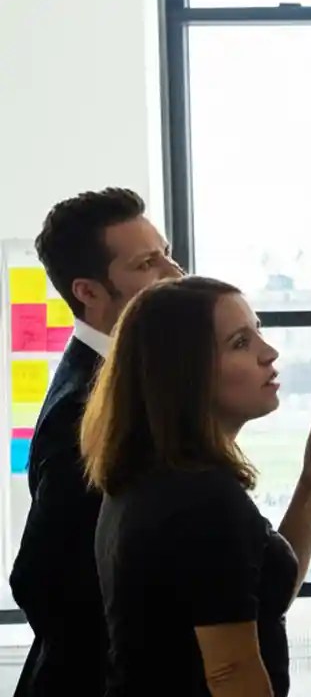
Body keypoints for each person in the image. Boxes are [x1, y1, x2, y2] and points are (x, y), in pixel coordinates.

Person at [81, 276, 311, 696]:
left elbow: (262, 595)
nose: (270, 353)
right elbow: (231, 673)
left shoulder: (150, 479)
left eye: (257, 331)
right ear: (185, 372)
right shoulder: (202, 500)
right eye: (240, 343)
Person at [10, 188, 182, 696]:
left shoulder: (121, 378)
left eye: (167, 253)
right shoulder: (84, 407)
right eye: (149, 264)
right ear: (88, 291)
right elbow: (38, 580)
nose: (175, 274)